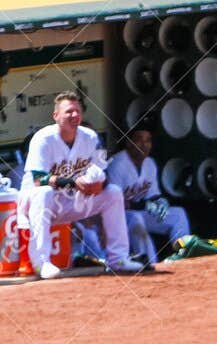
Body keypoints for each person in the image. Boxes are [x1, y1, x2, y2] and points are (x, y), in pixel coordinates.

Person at [21, 93, 141, 278]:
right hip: (36, 206)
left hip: (72, 202)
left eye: (77, 111)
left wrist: (100, 184)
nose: (74, 115)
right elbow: (38, 179)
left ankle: (118, 258)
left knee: (113, 193)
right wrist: (73, 183)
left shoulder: (91, 137)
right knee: (44, 193)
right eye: (68, 112)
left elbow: (103, 171)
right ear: (56, 116)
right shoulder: (43, 138)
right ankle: (42, 263)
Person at [109, 128, 190, 265]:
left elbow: (153, 195)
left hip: (139, 212)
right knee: (136, 217)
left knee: (178, 214)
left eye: (148, 140)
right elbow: (116, 203)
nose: (144, 144)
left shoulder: (150, 164)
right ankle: (149, 264)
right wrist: (145, 205)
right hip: (118, 217)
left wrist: (160, 202)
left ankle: (184, 255)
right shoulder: (117, 164)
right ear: (129, 143)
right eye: (139, 140)